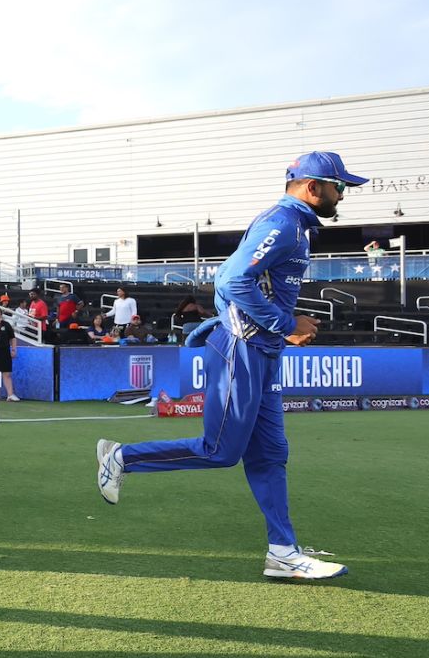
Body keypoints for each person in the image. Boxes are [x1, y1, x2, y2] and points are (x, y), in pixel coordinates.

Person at [95, 150, 366, 582]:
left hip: (259, 350)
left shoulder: (296, 226)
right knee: (220, 451)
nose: (343, 195)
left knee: (270, 455)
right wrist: (284, 324)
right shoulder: (283, 223)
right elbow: (230, 279)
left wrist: (271, 328)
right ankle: (122, 457)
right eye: (339, 186)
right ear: (313, 187)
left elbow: (239, 286)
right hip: (242, 350)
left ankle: (283, 553)